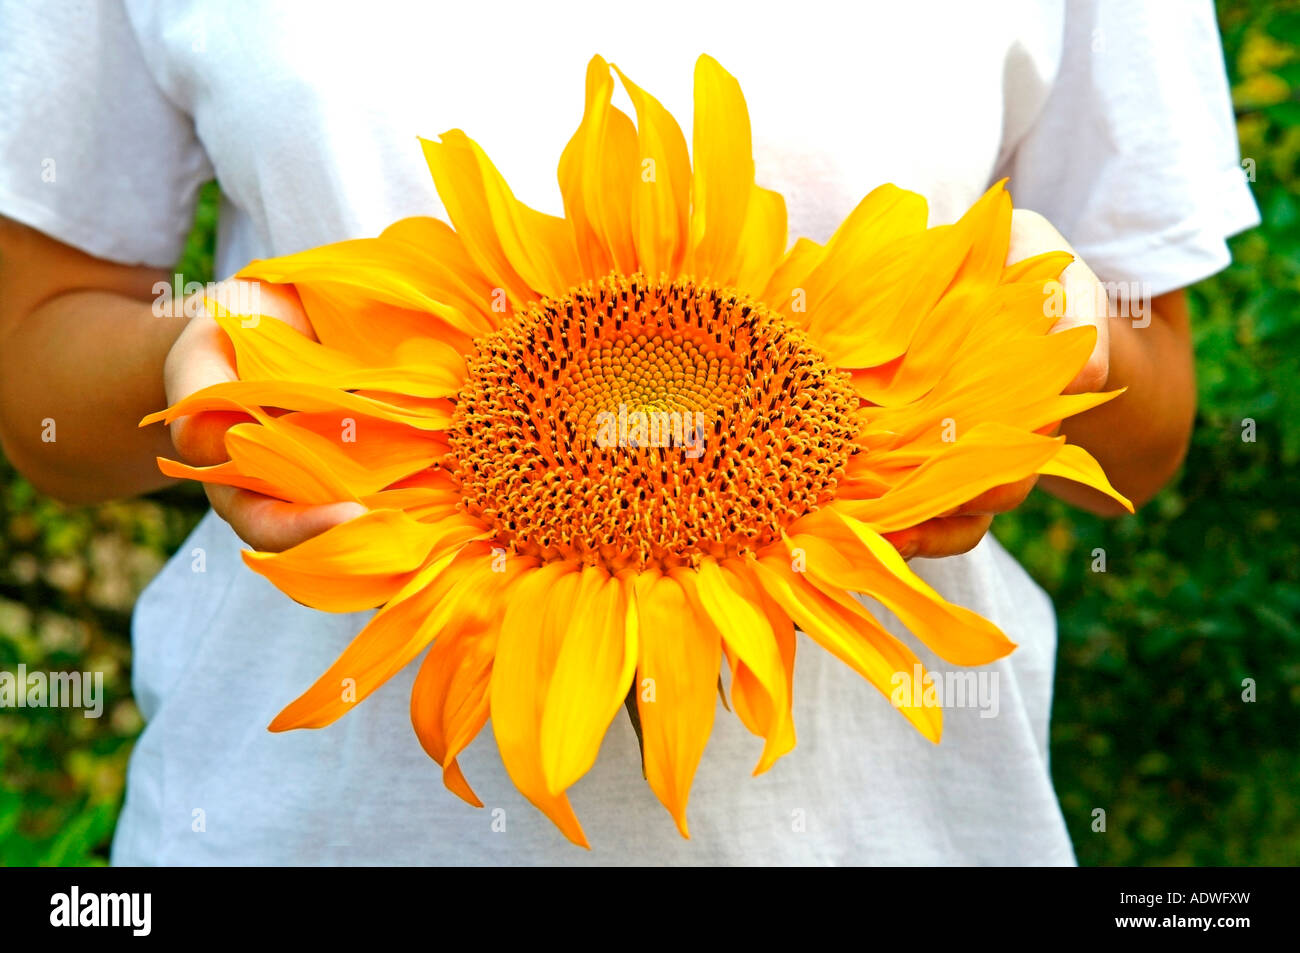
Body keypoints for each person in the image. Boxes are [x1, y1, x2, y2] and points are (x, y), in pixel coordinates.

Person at [0, 0, 1258, 865]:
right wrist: (216, 364)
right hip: (303, 830)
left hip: (897, 834)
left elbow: (1145, 427)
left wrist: (1052, 334)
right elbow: (38, 377)